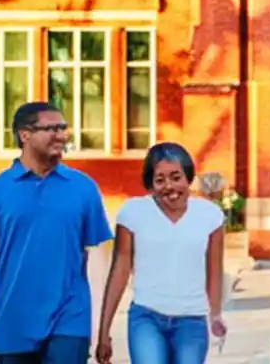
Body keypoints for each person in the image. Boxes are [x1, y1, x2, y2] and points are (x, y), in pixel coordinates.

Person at [0, 101, 113, 364]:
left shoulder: (83, 188)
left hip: (70, 321)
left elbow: (97, 262)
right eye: (51, 128)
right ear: (24, 134)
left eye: (63, 128)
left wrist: (100, 328)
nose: (61, 136)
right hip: (13, 323)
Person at [95, 142, 228, 364]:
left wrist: (215, 314)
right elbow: (119, 270)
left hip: (191, 321)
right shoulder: (133, 213)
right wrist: (103, 331)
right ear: (150, 184)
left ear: (188, 177)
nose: (169, 186)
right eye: (160, 180)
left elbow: (214, 270)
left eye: (176, 177)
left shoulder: (210, 216)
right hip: (146, 318)